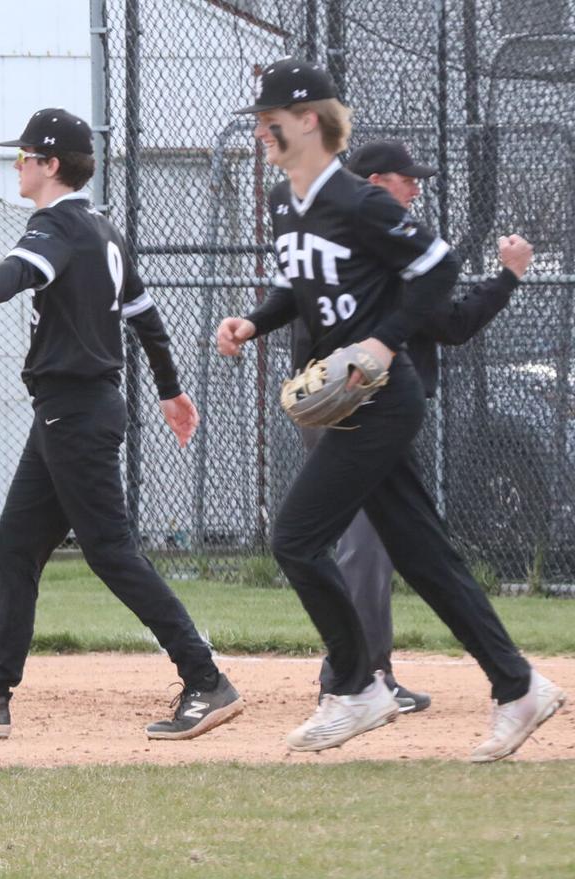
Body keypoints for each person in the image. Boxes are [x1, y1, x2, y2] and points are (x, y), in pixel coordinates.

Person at [216, 59, 564, 760]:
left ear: (308, 119)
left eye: (270, 119)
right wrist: (253, 321)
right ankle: (519, 685)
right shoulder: (286, 201)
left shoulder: (358, 199)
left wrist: (382, 340)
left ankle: (356, 684)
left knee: (295, 537)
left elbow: (437, 269)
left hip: (382, 396)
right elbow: (297, 288)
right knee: (425, 555)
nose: (260, 129)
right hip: (348, 398)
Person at [0, 108, 244, 742]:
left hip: (76, 411)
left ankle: (204, 679)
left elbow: (19, 273)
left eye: (25, 156)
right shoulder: (103, 229)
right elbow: (145, 316)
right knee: (15, 548)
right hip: (69, 411)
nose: (17, 165)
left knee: (110, 553)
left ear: (50, 165)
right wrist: (171, 390)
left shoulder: (57, 223)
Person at [303, 139, 535, 714]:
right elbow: (451, 322)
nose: (417, 188)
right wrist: (507, 278)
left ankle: (357, 669)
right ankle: (357, 674)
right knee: (369, 544)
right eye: (408, 180)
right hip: (363, 408)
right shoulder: (376, 247)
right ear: (376, 182)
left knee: (364, 539)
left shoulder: (335, 238)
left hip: (341, 402)